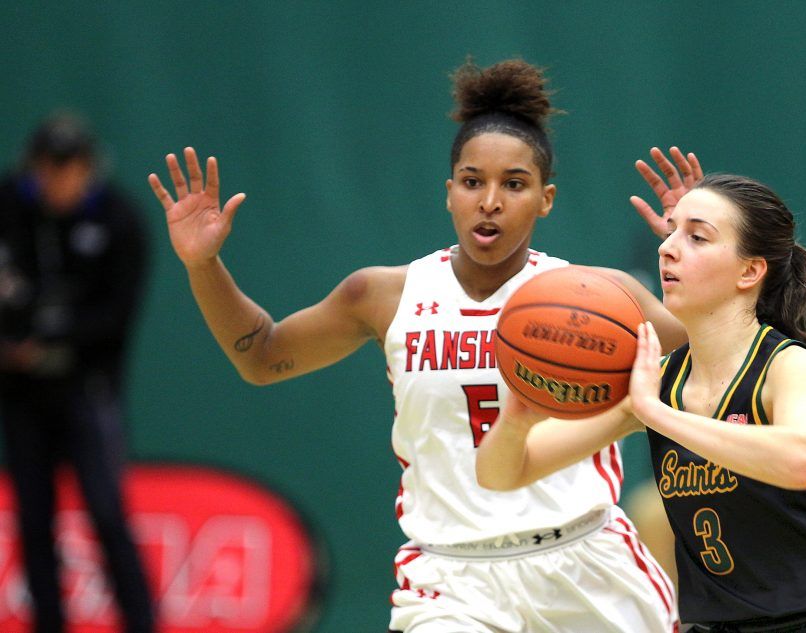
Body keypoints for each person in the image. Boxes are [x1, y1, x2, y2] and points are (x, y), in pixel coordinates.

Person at [148, 60, 691, 633]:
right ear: (449, 192)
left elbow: (721, 356)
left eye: (514, 184)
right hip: (452, 581)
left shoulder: (603, 300)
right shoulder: (383, 295)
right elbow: (261, 357)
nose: (490, 201)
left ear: (546, 199)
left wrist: (698, 247)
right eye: (472, 180)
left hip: (586, 562)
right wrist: (203, 265)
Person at [477, 164, 806, 632]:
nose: (666, 248)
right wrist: (516, 420)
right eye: (671, 232)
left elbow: (799, 459)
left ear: (750, 270)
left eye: (697, 238)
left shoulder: (788, 367)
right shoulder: (661, 384)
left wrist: (655, 414)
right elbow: (501, 474)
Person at [0, 113, 155, 632]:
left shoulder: (119, 219)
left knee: (108, 517)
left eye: (70, 168)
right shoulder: (9, 209)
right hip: (21, 395)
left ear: (89, 168)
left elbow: (115, 315)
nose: (58, 180)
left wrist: (51, 339)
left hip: (88, 393)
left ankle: (141, 624)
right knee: (34, 522)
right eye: (49, 168)